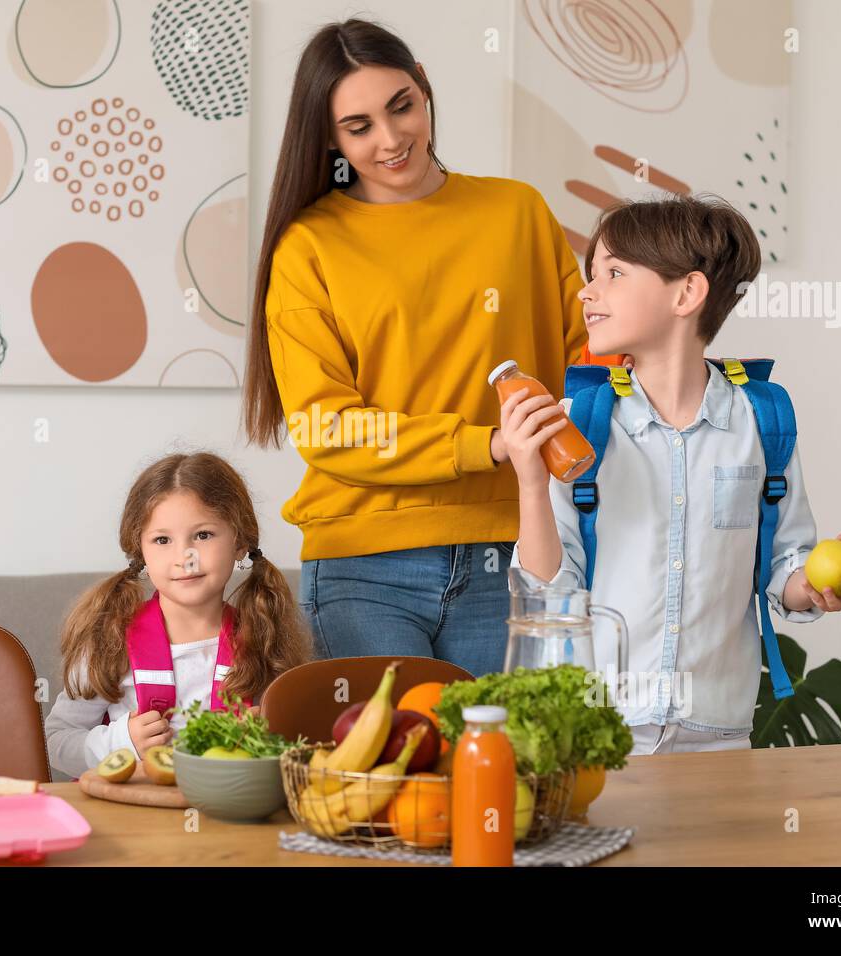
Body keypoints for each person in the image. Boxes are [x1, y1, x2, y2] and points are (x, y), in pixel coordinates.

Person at [241, 17, 608, 676]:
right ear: (329, 135)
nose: (390, 139)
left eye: (402, 106)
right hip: (364, 568)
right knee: (391, 774)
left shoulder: (518, 213)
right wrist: (486, 444)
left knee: (502, 773)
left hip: (512, 550)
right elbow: (327, 429)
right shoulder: (310, 247)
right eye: (359, 127)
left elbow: (589, 364)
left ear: (425, 91)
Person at [502, 193, 841, 755]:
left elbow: (784, 565)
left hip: (720, 730)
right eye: (592, 274)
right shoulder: (581, 423)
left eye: (614, 272)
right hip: (601, 728)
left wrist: (812, 586)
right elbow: (548, 591)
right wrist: (532, 484)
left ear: (687, 293)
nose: (587, 291)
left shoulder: (762, 421)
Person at [45, 452, 312, 777]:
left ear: (240, 542)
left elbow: (298, 747)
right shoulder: (109, 642)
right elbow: (55, 743)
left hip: (228, 817)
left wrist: (266, 737)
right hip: (132, 818)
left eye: (202, 535)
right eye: (162, 540)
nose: (184, 557)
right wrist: (122, 741)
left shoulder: (264, 638)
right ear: (139, 550)